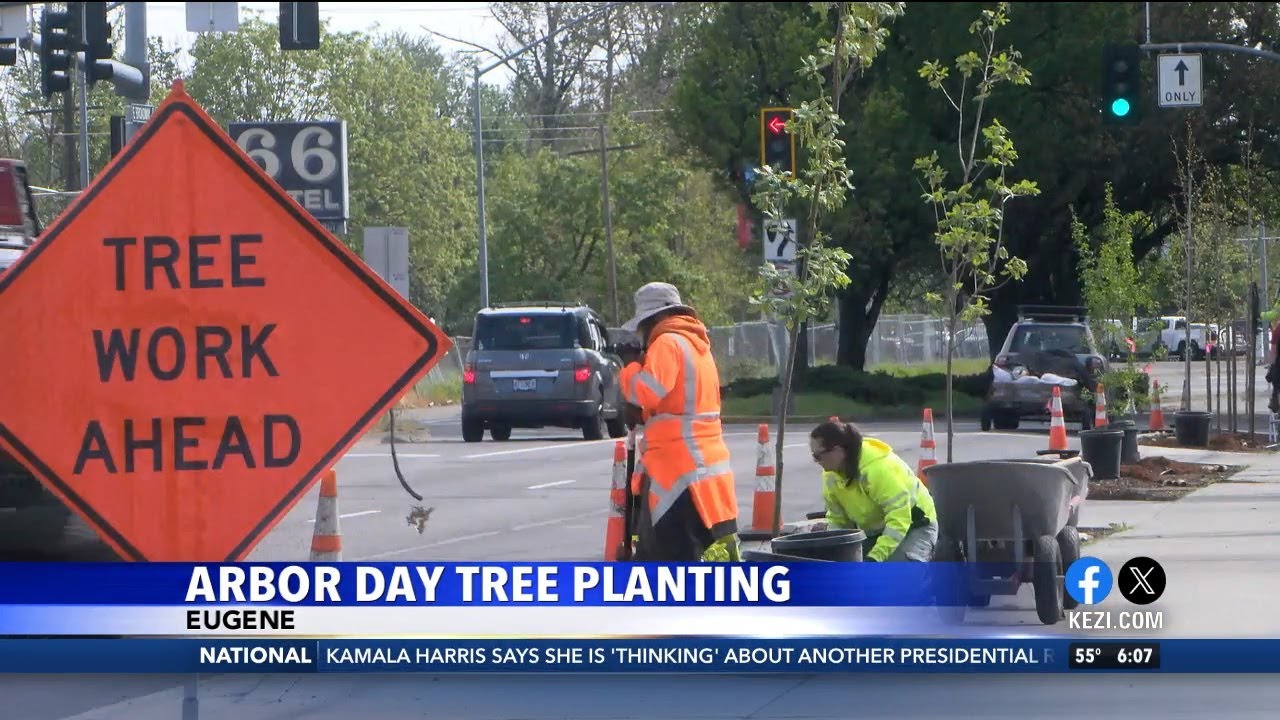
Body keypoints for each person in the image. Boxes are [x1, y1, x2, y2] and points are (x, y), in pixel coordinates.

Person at [616, 282, 740, 562]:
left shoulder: (667, 342)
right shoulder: (697, 347)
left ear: (653, 319)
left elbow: (645, 391)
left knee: (668, 565)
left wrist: (630, 367)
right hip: (703, 470)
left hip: (676, 474)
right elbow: (676, 404)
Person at [808, 420, 938, 562]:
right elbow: (838, 520)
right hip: (876, 531)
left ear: (838, 450)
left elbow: (899, 519)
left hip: (916, 526)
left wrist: (876, 557)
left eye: (818, 456)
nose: (816, 461)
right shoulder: (831, 476)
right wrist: (835, 550)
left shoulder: (878, 470)